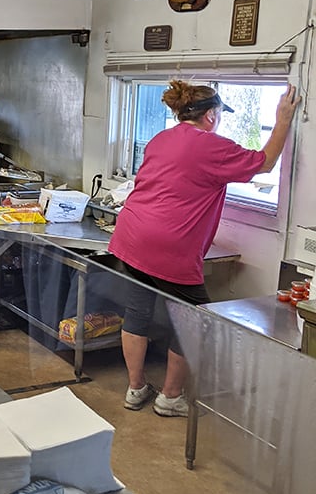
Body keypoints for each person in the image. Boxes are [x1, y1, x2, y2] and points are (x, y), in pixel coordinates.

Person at [108, 80, 300, 417]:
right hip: (169, 247)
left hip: (131, 235)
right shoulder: (212, 146)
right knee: (195, 320)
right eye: (220, 115)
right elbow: (265, 162)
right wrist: (283, 119)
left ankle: (135, 389)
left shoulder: (160, 139)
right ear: (211, 115)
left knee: (138, 309)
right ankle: (170, 397)